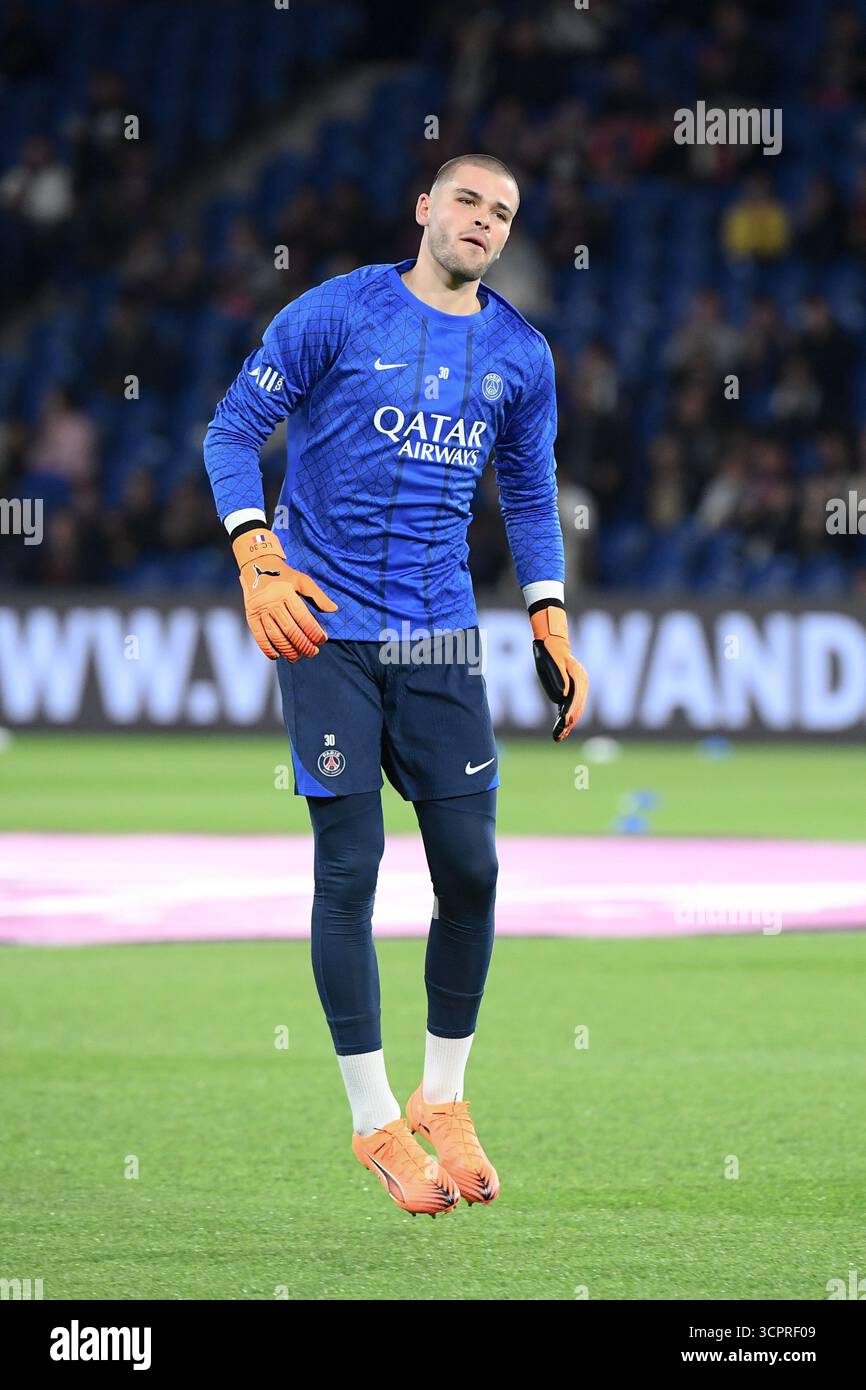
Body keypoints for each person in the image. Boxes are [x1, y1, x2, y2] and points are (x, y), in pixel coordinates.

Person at [203, 154, 589, 1218]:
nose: (481, 220)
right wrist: (257, 556)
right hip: (324, 628)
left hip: (437, 641)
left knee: (469, 867)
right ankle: (374, 1118)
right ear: (423, 208)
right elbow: (231, 429)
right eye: (465, 199)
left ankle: (442, 1098)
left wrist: (546, 614)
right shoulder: (334, 313)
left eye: (501, 212)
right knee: (351, 862)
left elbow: (528, 486)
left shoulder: (520, 353)